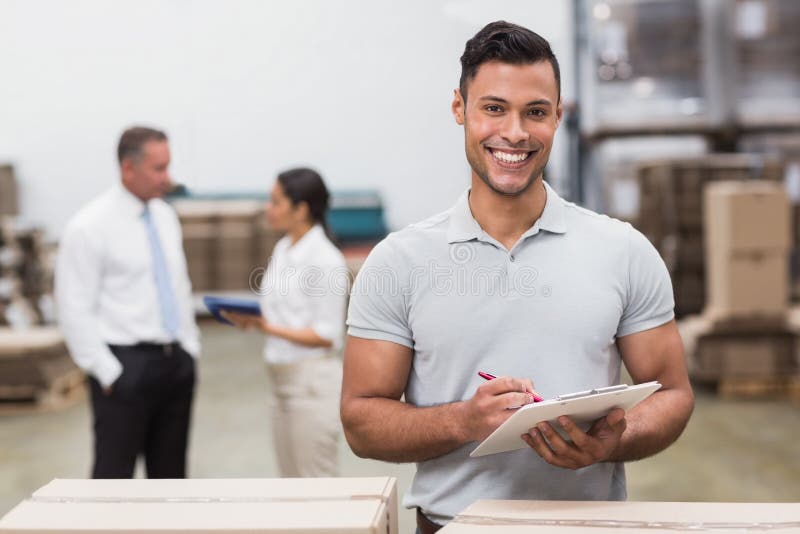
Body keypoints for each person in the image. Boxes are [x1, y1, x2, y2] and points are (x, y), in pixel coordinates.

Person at [341, 21, 694, 532]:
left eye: (535, 112)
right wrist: (463, 421)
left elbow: (674, 394)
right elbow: (360, 421)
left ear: (557, 116)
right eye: (493, 108)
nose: (515, 133)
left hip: (588, 527)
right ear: (460, 109)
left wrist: (614, 439)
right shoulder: (399, 262)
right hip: (450, 525)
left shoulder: (623, 251)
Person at [56, 126, 200, 478]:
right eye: (158, 168)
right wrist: (108, 372)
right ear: (128, 168)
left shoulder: (165, 217)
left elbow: (178, 287)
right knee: (113, 480)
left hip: (174, 365)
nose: (167, 178)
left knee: (170, 480)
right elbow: (74, 307)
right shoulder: (89, 227)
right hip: (124, 369)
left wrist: (189, 349)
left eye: (168, 166)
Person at [223, 167, 348, 478]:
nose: (269, 209)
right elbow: (279, 314)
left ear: (301, 209)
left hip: (311, 385)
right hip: (280, 381)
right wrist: (253, 321)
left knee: (316, 485)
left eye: (276, 202)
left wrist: (266, 326)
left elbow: (327, 334)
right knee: (291, 484)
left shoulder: (326, 260)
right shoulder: (283, 248)